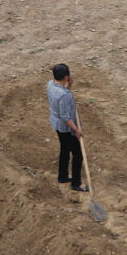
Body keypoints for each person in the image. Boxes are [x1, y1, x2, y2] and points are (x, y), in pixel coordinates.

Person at [47, 63, 87, 192]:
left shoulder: (50, 85)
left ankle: (63, 176)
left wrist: (69, 86)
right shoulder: (63, 95)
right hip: (66, 127)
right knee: (77, 154)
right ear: (66, 76)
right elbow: (66, 117)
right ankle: (76, 183)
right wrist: (76, 130)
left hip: (57, 124)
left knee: (64, 149)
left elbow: (62, 100)